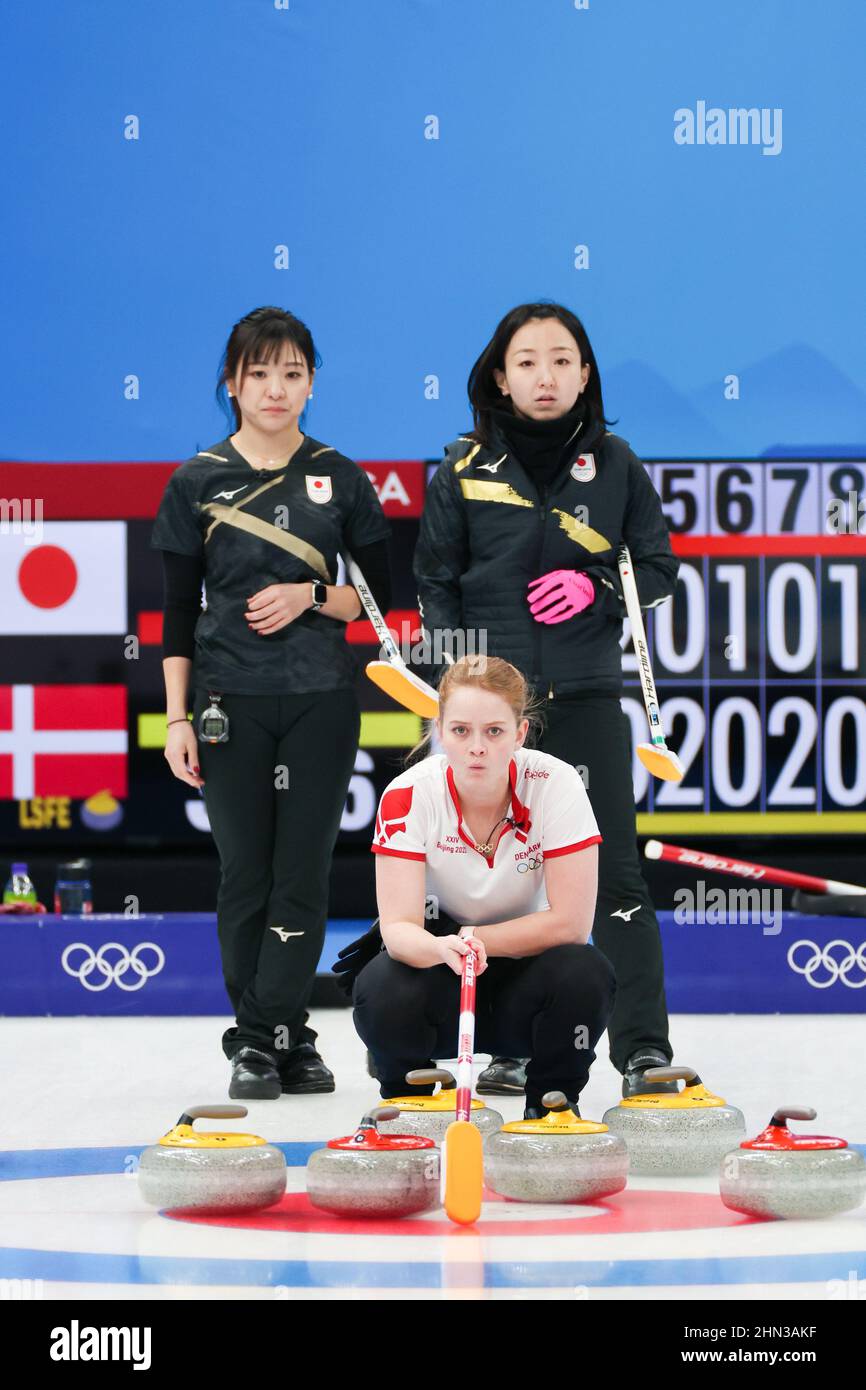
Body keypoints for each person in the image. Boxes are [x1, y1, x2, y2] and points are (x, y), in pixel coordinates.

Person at [413, 301, 680, 1099]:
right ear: (500, 375)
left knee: (616, 877)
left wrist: (598, 587)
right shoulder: (461, 466)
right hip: (492, 715)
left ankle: (643, 1051)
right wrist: (464, 700)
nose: (545, 375)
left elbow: (657, 571)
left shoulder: (618, 462)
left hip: (588, 695)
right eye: (527, 360)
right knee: (501, 881)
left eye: (562, 360)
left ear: (586, 373)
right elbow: (434, 587)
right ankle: (513, 1048)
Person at [152, 306, 391, 1099]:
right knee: (245, 876)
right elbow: (176, 616)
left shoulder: (342, 476)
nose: (276, 388)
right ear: (232, 383)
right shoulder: (195, 482)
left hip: (321, 702)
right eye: (260, 373)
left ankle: (263, 1039)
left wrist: (314, 595)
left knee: (303, 875)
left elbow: (384, 604)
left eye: (293, 373)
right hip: (227, 706)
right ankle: (278, 1038)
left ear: (312, 383)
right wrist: (178, 718)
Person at [351, 656, 615, 1118]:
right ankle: (408, 1102)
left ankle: (552, 1108)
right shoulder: (407, 794)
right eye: (460, 731)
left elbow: (573, 924)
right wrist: (445, 949)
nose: (477, 747)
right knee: (382, 988)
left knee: (586, 972)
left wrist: (475, 940)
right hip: (443, 969)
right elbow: (398, 929)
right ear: (439, 730)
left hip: (526, 974)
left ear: (520, 733)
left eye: (494, 731)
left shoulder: (557, 783)